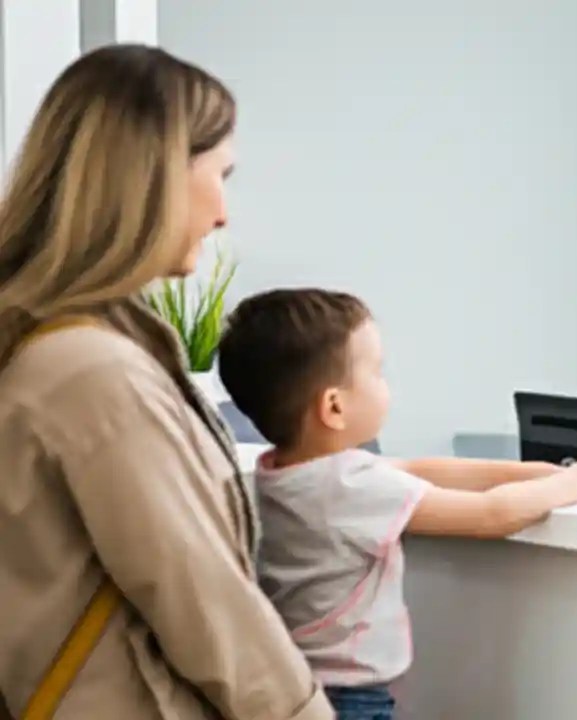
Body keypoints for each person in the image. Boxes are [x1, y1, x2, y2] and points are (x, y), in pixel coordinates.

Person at [0, 46, 335, 718]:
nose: (222, 214)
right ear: (152, 177)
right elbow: (204, 601)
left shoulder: (51, 347)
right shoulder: (94, 373)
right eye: (221, 175)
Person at [214, 287, 577, 719]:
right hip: (348, 700)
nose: (386, 384)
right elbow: (492, 515)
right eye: (377, 372)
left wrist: (537, 472)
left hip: (296, 689)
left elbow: (416, 469)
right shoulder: (352, 488)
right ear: (334, 406)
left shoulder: (281, 473)